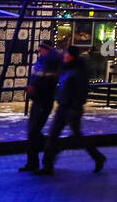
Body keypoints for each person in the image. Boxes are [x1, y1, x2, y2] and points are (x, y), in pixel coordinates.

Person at [38, 45, 107, 176]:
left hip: (71, 108)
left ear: (71, 56)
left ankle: (97, 157)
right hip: (63, 106)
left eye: (66, 54)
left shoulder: (78, 71)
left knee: (74, 137)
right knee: (54, 135)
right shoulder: (66, 68)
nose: (64, 55)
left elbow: (81, 91)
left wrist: (75, 107)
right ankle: (47, 165)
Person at [21, 41, 61, 173]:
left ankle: (50, 149)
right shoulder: (42, 62)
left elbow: (48, 84)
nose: (39, 51)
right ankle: (33, 162)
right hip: (38, 100)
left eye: (41, 49)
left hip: (43, 101)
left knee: (33, 131)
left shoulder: (50, 62)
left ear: (47, 50)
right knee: (32, 131)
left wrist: (34, 90)